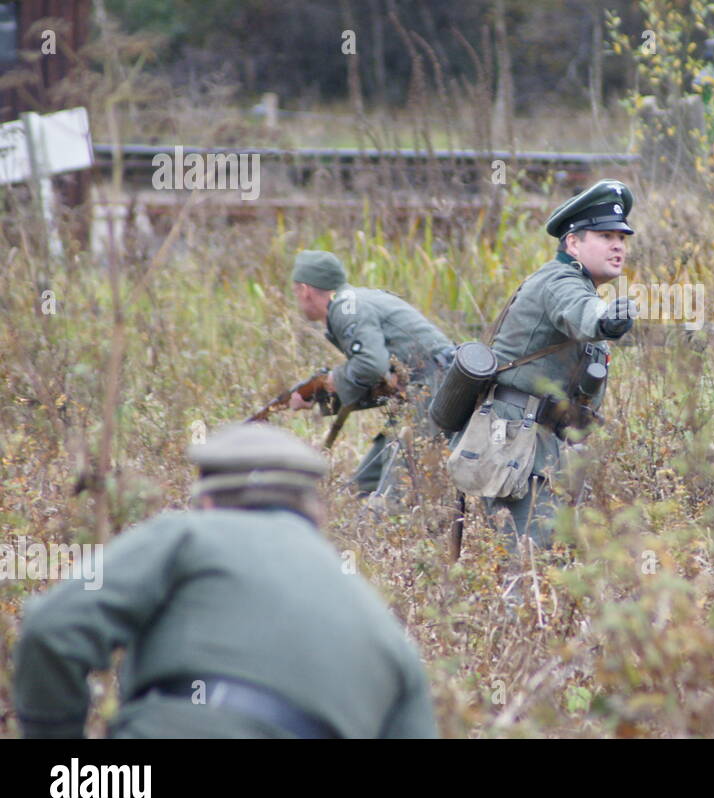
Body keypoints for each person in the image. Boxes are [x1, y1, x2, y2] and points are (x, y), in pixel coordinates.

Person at [12, 422, 437, 738]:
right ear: (316, 513)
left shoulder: (185, 534)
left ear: (208, 501)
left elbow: (53, 629)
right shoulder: (383, 625)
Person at [469, 179, 638, 551]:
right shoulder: (561, 281)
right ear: (573, 242)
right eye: (605, 235)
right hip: (519, 440)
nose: (617, 245)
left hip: (536, 440)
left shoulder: (575, 282)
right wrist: (607, 320)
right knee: (533, 557)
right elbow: (583, 311)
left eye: (622, 238)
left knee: (548, 556)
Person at [290, 249, 456, 495]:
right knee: (363, 486)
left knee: (394, 494)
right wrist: (321, 395)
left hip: (431, 389)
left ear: (305, 289)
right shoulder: (354, 301)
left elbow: (370, 364)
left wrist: (335, 379)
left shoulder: (347, 307)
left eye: (296, 292)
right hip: (425, 390)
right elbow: (381, 375)